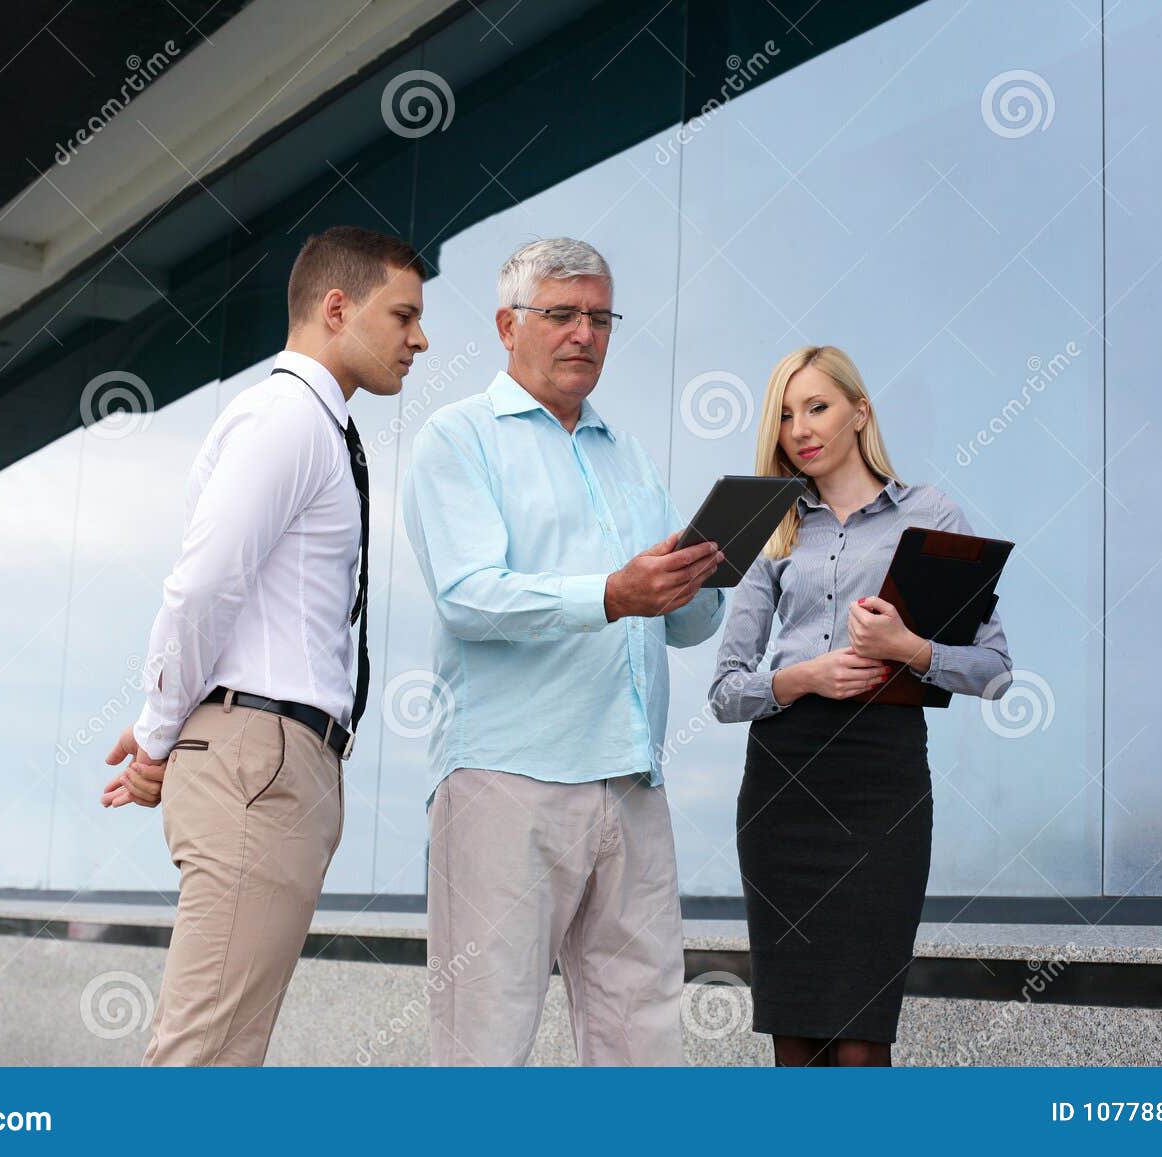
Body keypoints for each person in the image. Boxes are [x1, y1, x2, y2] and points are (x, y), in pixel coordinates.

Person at [99, 225, 428, 1065]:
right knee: (203, 1059)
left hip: (279, 760)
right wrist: (161, 730)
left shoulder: (315, 425)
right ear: (335, 307)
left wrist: (166, 729)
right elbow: (203, 585)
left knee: (223, 1055)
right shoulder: (288, 417)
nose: (419, 339)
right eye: (403, 316)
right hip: (260, 757)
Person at [401, 237, 727, 1066]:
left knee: (643, 1045)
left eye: (600, 317)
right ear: (509, 325)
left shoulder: (630, 456)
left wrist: (699, 580)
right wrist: (614, 592)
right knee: (485, 1044)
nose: (585, 332)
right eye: (562, 314)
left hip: (631, 784)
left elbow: (684, 628)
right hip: (508, 780)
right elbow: (469, 595)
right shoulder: (458, 437)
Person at [708, 344, 1012, 1067]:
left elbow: (996, 671)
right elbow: (724, 690)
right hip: (784, 783)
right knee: (797, 1036)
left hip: (883, 779)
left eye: (817, 406)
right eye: (784, 415)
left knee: (861, 1036)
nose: (800, 428)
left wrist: (908, 646)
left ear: (860, 411)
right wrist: (803, 677)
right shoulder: (771, 524)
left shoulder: (930, 512)